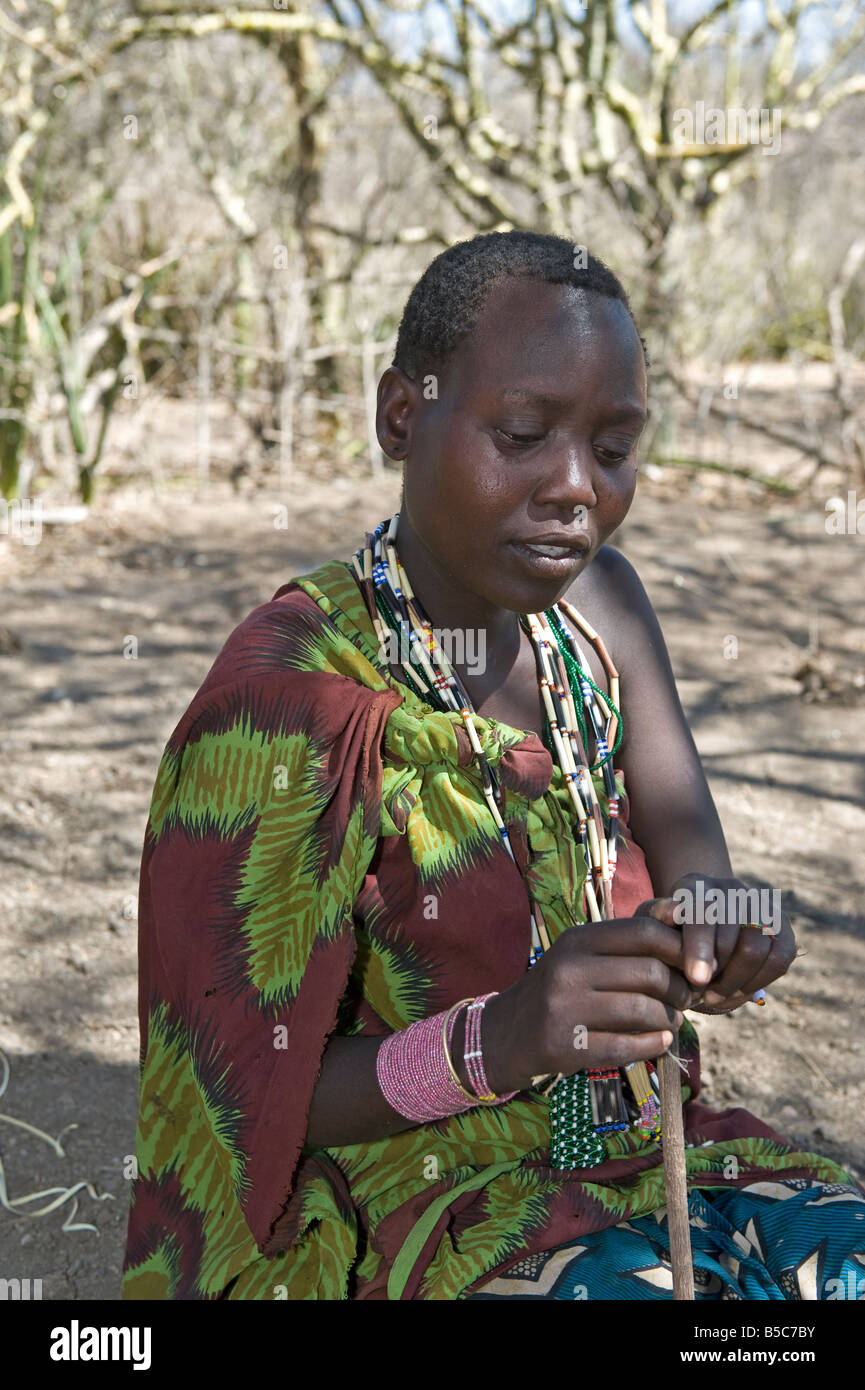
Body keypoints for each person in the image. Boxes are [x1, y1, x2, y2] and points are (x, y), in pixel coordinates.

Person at [121, 231, 863, 1301]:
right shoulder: (291, 700)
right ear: (400, 416)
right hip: (412, 1191)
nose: (575, 488)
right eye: (522, 434)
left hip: (636, 1137)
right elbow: (243, 1093)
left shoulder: (602, 612)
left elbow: (685, 831)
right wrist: (503, 1037)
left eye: (613, 449)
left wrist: (722, 918)